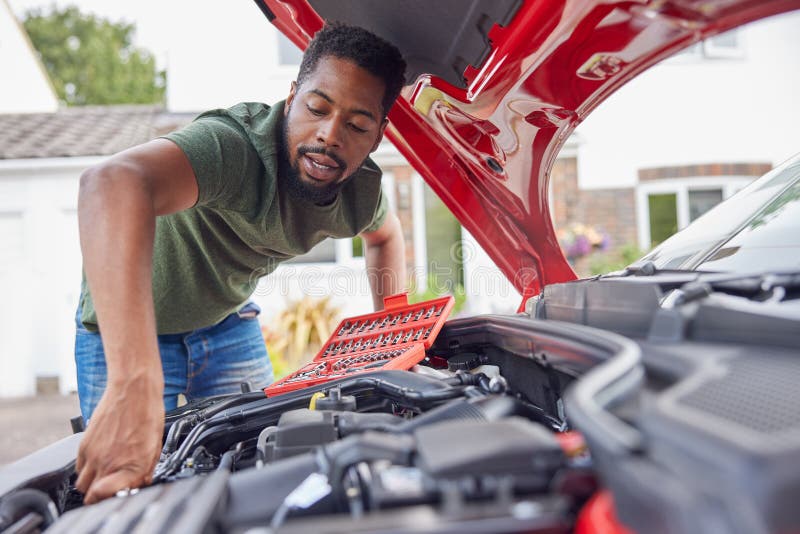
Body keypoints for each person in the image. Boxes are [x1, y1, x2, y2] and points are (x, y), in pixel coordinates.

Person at [73, 23, 407, 503]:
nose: (329, 135)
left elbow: (386, 235)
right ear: (292, 97)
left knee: (259, 466)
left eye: (356, 125)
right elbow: (109, 183)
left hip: (227, 325)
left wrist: (391, 334)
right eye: (317, 108)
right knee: (124, 485)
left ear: (378, 135)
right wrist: (134, 380)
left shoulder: (359, 193)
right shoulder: (233, 148)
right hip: (127, 338)